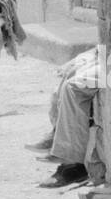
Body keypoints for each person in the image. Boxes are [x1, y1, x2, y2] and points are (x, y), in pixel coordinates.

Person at [38, 45, 103, 187]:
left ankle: (73, 163)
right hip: (106, 54)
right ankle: (56, 136)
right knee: (70, 71)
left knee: (72, 87)